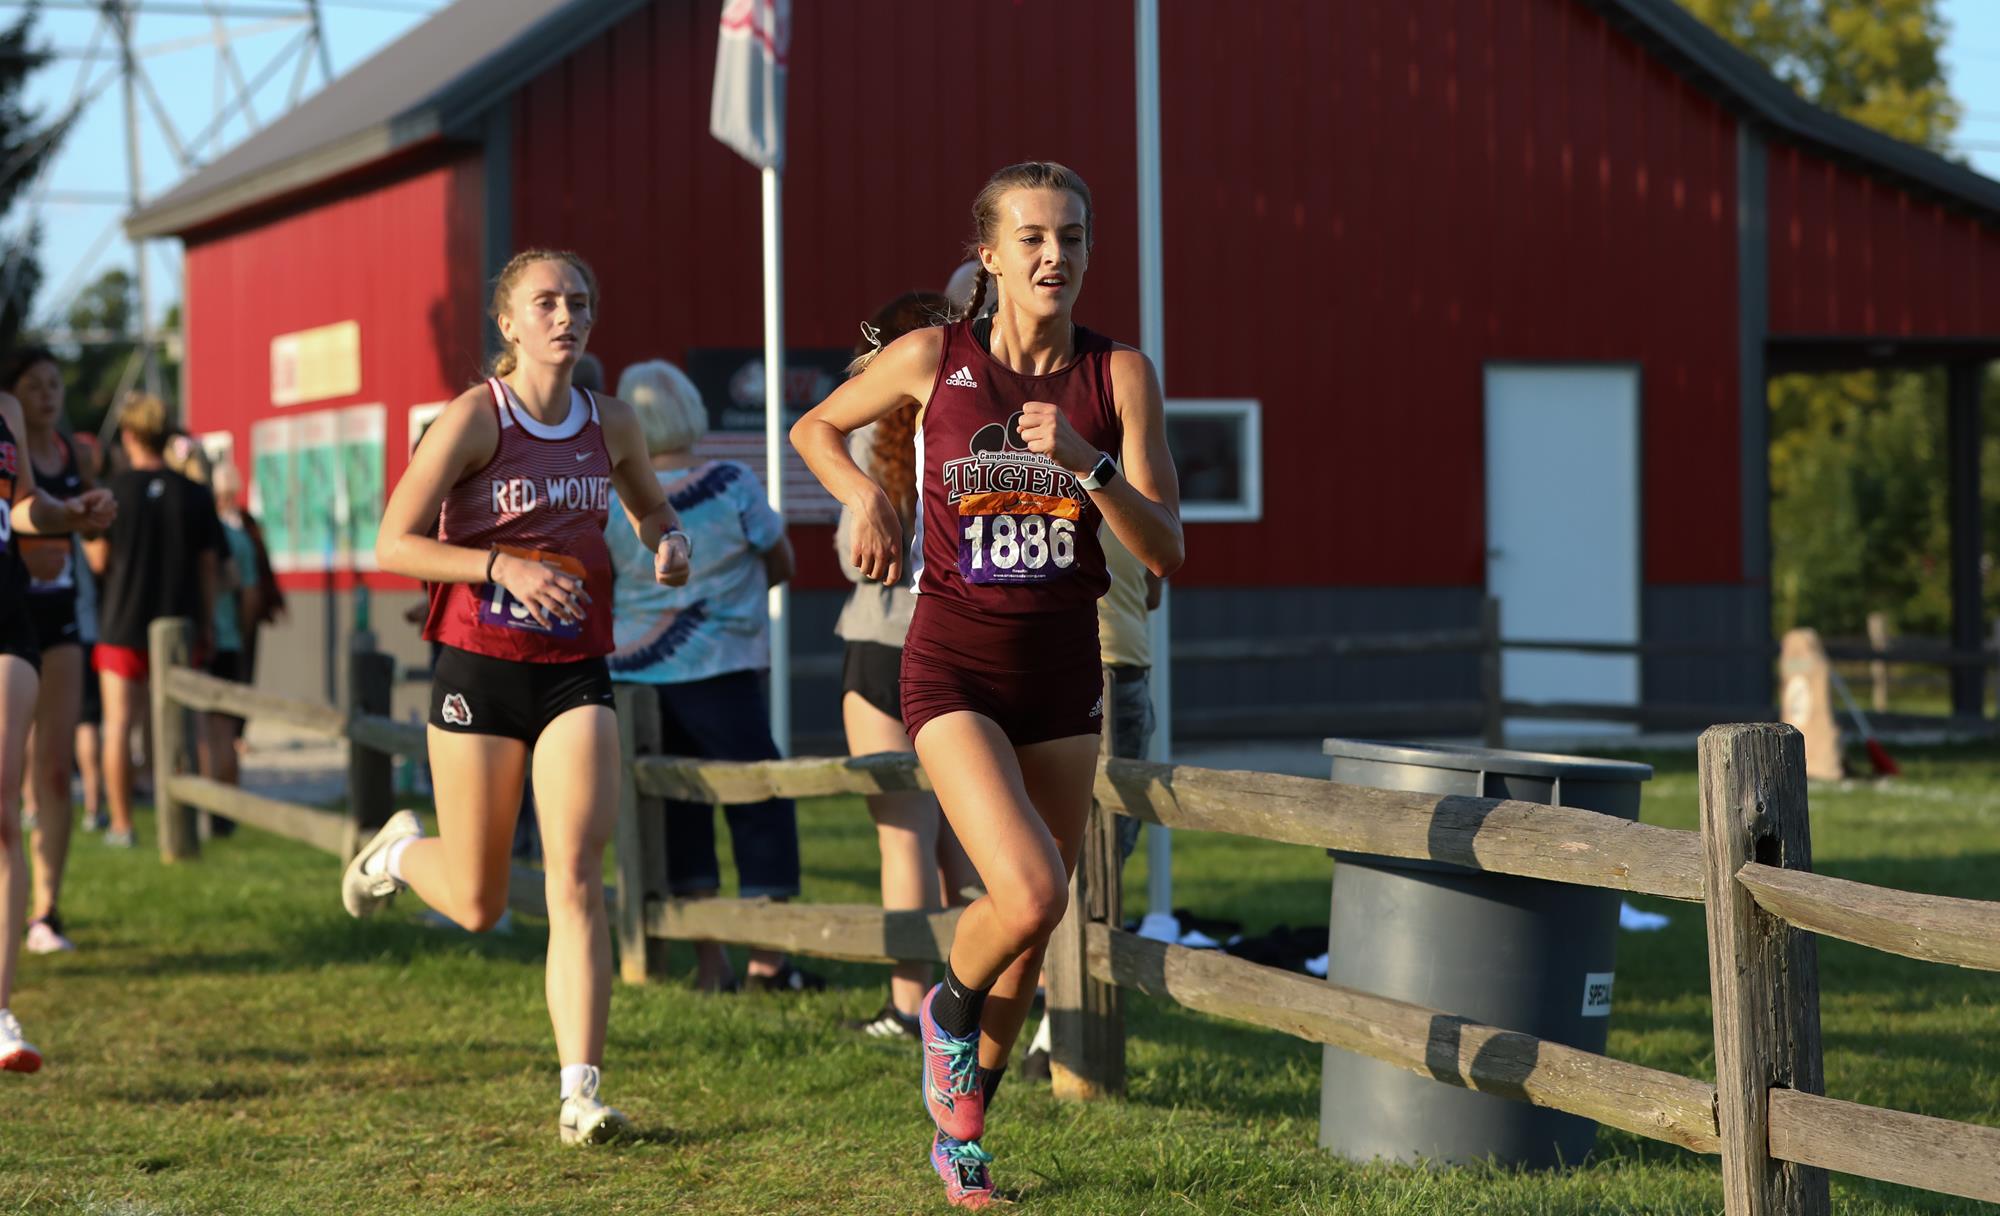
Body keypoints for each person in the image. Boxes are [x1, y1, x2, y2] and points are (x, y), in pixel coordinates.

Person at [791, 162, 1182, 1207]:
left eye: (1073, 237)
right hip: (953, 663)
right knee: (1032, 887)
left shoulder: (1120, 376)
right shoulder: (935, 358)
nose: (1055, 255)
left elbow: (1166, 546)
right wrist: (867, 502)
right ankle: (944, 1013)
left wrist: (1094, 467)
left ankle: (963, 1132)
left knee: (1032, 926)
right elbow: (812, 429)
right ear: (989, 255)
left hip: (1063, 672)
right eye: (1032, 238)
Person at [344, 249, 690, 1146]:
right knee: (478, 903)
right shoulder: (472, 418)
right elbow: (395, 542)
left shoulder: (612, 421)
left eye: (577, 301)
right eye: (545, 302)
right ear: (509, 322)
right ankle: (400, 850)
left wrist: (669, 540)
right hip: (478, 668)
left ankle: (582, 1094)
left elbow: (650, 507)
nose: (564, 316)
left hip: (575, 668)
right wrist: (502, 565)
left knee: (578, 877)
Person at [603, 358, 819, 995]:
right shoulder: (730, 481)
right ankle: (768, 962)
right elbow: (781, 559)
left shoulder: (616, 494)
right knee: (759, 804)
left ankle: (707, 964)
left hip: (634, 677)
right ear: (692, 410)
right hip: (723, 672)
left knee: (675, 818)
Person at [835, 291, 979, 1040]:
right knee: (971, 843)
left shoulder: (870, 431)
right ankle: (983, 997)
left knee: (904, 838)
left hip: (883, 642)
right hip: (960, 640)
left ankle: (906, 1005)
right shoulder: (982, 416)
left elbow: (850, 557)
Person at [0, 386, 117, 1071]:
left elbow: (22, 506)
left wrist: (68, 514)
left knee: (5, 815)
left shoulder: (8, 410)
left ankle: (1, 1010)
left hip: (8, 614)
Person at [87, 396, 226, 850]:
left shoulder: (114, 491)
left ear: (128, 436)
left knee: (119, 726)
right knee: (191, 725)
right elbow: (210, 568)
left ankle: (122, 826)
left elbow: (100, 560)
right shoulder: (196, 493)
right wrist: (206, 622)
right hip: (180, 623)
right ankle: (204, 818)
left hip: (122, 620)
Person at [11, 349, 101, 953]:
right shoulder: (8, 446)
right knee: (7, 768)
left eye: (54, 385)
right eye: (35, 385)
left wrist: (93, 515)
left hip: (61, 618)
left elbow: (89, 529)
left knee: (53, 765)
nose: (48, 395)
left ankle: (47, 907)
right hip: (10, 610)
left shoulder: (78, 454)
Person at [69, 432, 107, 836]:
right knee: (87, 722)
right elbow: (98, 560)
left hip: (70, 626)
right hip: (81, 625)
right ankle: (94, 805)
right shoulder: (81, 502)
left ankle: (33, 802)